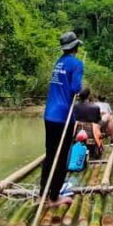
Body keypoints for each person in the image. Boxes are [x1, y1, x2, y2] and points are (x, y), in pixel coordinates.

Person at [40, 31, 83, 207]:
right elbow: (76, 89)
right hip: (63, 116)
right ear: (76, 47)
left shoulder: (59, 62)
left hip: (49, 114)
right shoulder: (76, 64)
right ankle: (54, 198)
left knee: (50, 154)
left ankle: (42, 194)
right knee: (62, 156)